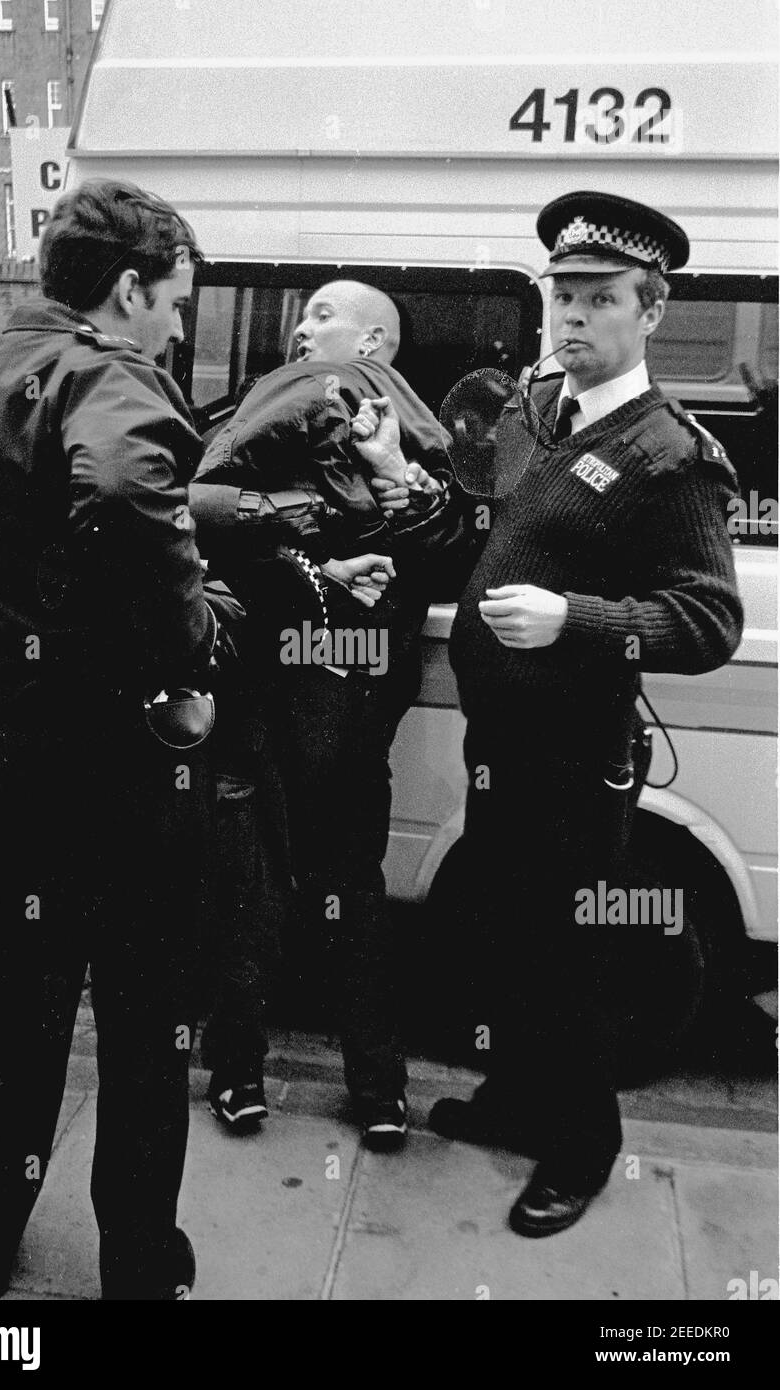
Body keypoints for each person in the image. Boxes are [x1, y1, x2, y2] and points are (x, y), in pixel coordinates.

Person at [0, 179, 239, 1300]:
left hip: (16, 743)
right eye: (174, 302)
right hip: (119, 761)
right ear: (127, 288)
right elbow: (115, 491)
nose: (176, 325)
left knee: (19, 1010)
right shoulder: (109, 374)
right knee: (147, 1024)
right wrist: (192, 641)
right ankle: (140, 1259)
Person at [425, 192, 744, 1236]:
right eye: (560, 296)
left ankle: (583, 1143)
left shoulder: (671, 454)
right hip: (498, 745)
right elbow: (493, 507)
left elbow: (707, 621)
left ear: (650, 313)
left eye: (599, 300)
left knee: (568, 952)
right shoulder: (536, 410)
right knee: (503, 934)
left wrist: (578, 618)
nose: (571, 319)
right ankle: (519, 1098)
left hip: (574, 756)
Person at [191, 280, 454, 1150]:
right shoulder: (269, 425)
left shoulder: (407, 451)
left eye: (321, 318)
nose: (300, 331)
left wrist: (384, 483)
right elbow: (204, 516)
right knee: (255, 895)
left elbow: (444, 548)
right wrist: (320, 566)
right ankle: (244, 1073)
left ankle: (372, 1086)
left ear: (372, 343)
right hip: (267, 705)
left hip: (345, 712)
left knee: (343, 897)